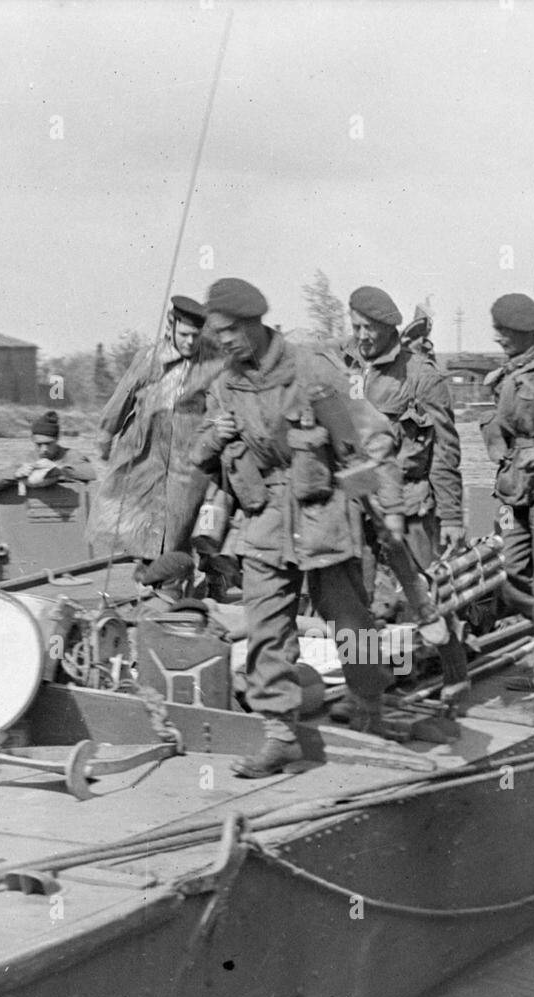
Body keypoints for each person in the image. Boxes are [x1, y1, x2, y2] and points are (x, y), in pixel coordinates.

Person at [191, 277, 404, 777]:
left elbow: (369, 438)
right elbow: (204, 446)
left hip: (324, 511)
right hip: (264, 518)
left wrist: (388, 509)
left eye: (228, 331)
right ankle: (280, 734)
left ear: (253, 323)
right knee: (266, 626)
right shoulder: (226, 382)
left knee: (352, 622)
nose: (221, 342)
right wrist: (214, 435)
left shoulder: (311, 368)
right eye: (215, 333)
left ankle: (370, 704)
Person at [88, 295, 223, 562]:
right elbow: (123, 396)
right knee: (139, 524)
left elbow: (220, 409)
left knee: (181, 528)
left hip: (187, 460)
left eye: (196, 335)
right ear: (170, 326)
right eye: (184, 334)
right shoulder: (149, 358)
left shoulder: (213, 363)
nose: (190, 342)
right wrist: (105, 434)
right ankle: (150, 578)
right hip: (144, 455)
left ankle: (188, 581)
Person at [481, 290, 534, 690]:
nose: (498, 337)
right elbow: (498, 423)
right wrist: (498, 446)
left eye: (504, 331)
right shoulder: (510, 372)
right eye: (497, 330)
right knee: (512, 573)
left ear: (524, 331)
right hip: (515, 487)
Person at [341, 284, 463, 567]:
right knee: (361, 599)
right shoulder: (343, 363)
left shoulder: (421, 375)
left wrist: (453, 516)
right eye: (356, 326)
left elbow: (445, 451)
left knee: (419, 599)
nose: (361, 336)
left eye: (369, 328)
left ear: (388, 326)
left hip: (409, 508)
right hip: (357, 505)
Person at [23, 410, 97, 483]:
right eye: (39, 444)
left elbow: (91, 474)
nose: (43, 449)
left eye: (48, 444)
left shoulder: (71, 455)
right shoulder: (30, 457)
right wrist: (17, 473)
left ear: (57, 439)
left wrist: (58, 469)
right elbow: (13, 470)